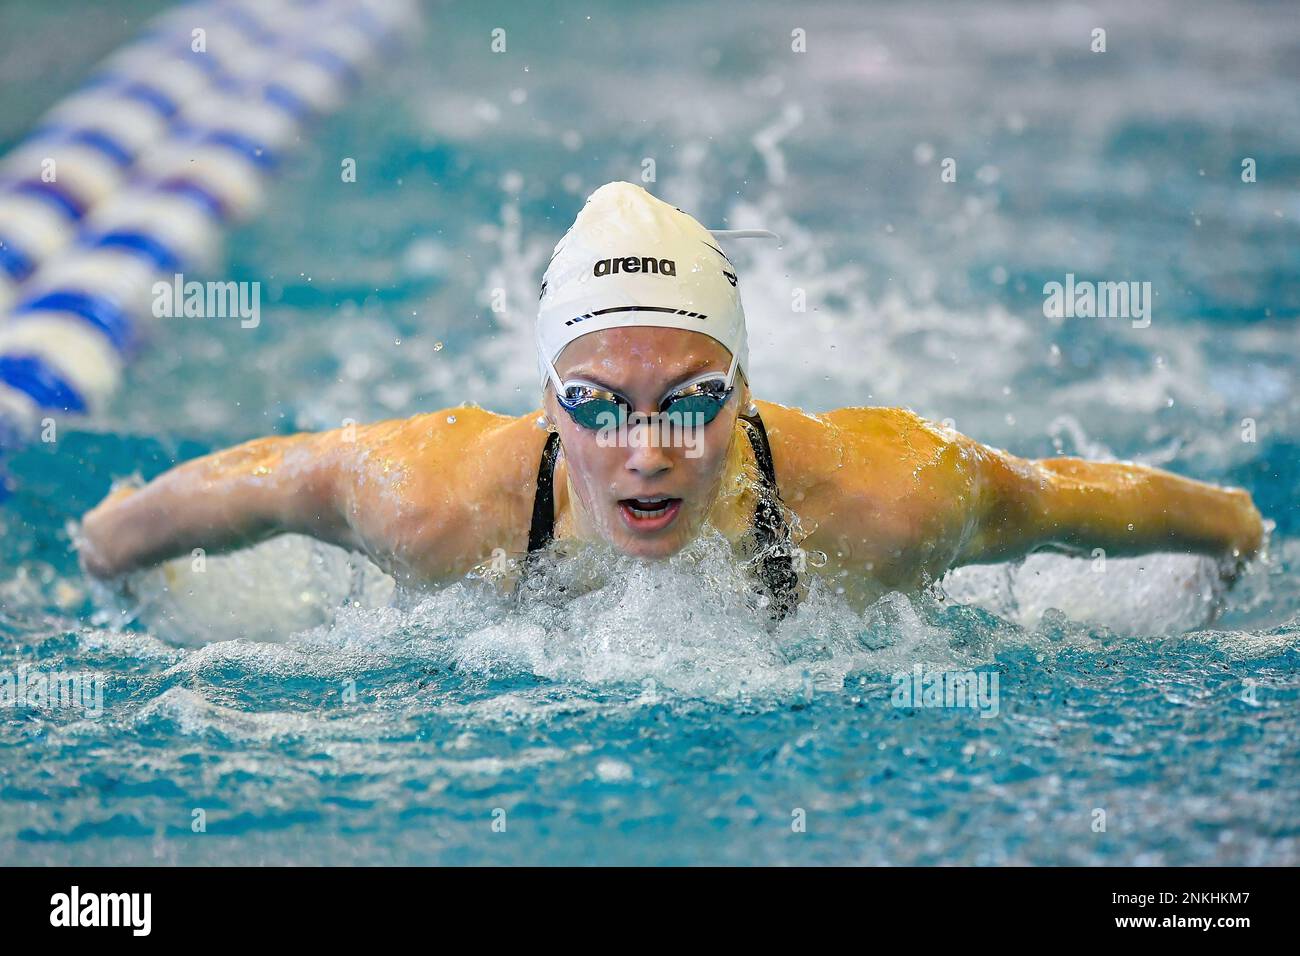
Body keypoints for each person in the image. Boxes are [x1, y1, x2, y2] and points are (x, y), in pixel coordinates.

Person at [78, 182, 1265, 618]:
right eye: (597, 405)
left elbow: (1060, 497)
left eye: (690, 401)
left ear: (745, 386)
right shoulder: (430, 497)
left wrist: (1233, 531)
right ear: (544, 404)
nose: (646, 450)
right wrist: (109, 544)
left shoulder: (889, 498)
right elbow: (273, 478)